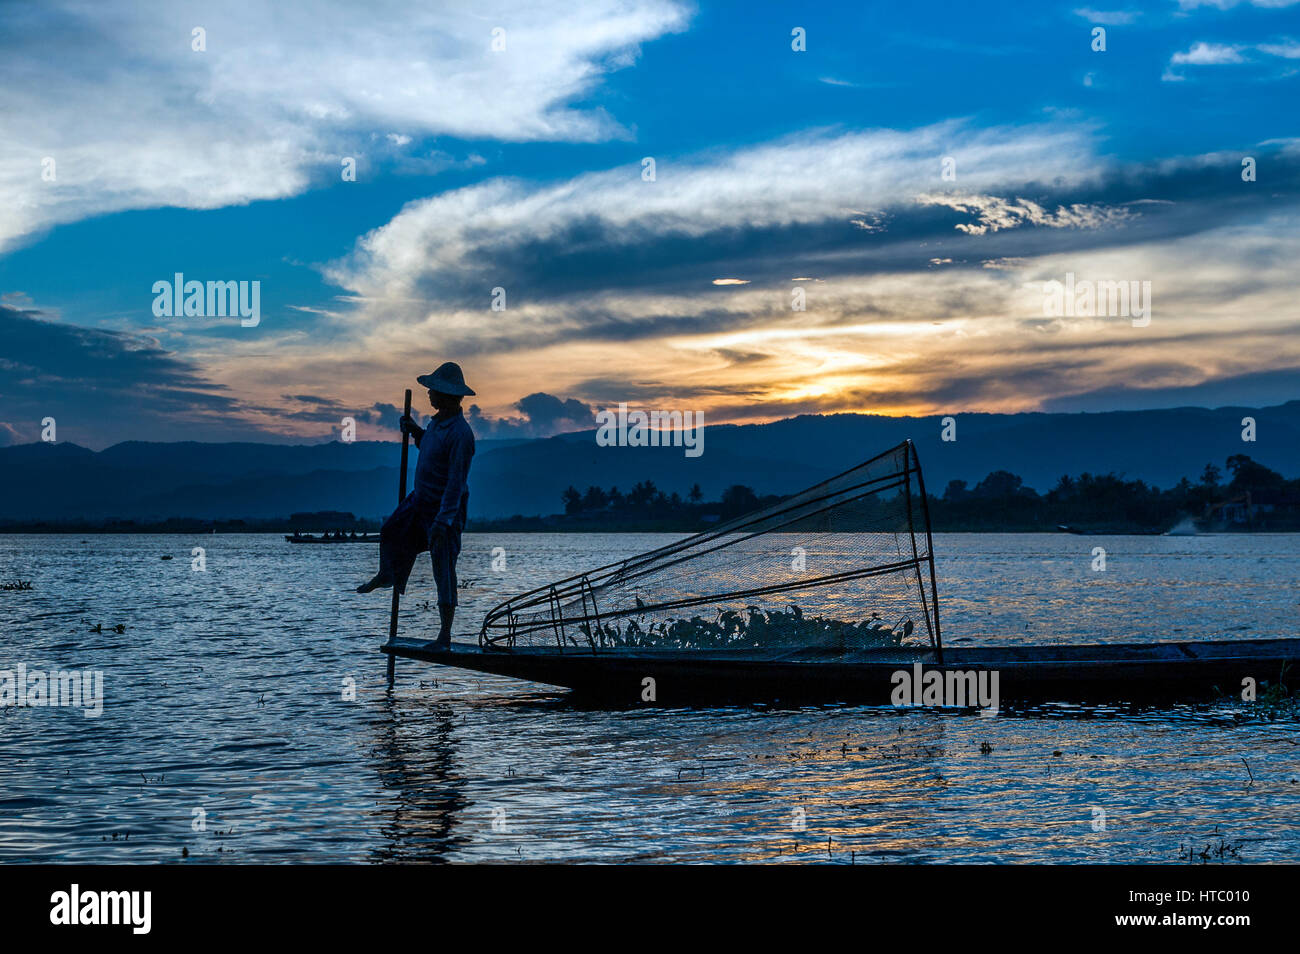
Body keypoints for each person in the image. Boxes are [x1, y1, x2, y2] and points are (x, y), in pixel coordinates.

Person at [356, 362, 476, 649]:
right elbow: (431, 449)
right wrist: (415, 432)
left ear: (447, 395)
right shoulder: (436, 424)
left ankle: (444, 636)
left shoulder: (461, 434)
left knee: (443, 570)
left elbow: (455, 484)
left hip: (443, 509)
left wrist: (443, 521)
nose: (429, 394)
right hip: (419, 500)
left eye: (434, 390)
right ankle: (388, 574)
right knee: (391, 530)